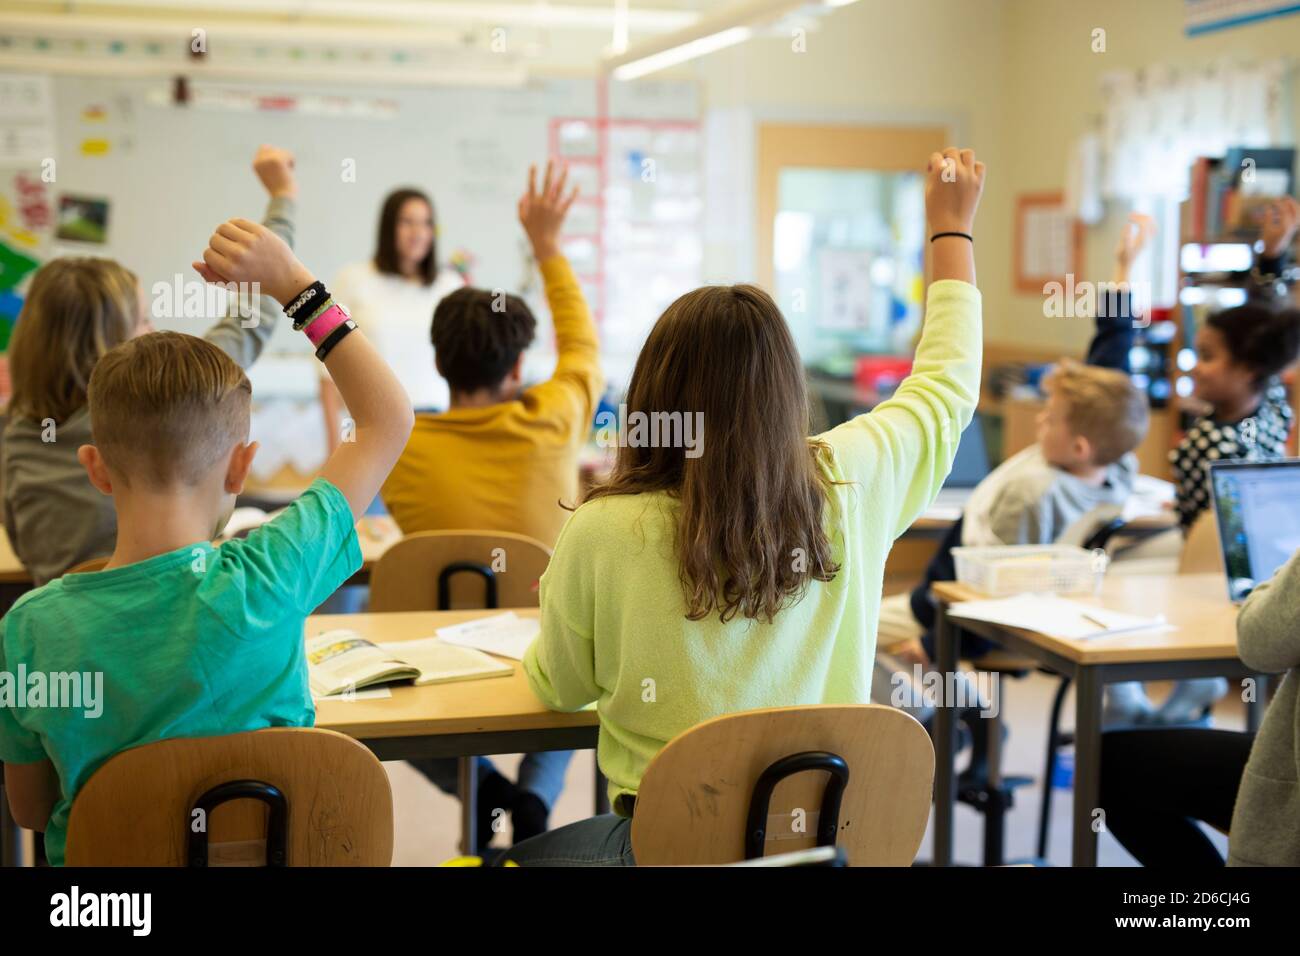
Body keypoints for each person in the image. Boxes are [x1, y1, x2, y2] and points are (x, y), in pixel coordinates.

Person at [501, 147, 986, 866]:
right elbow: (947, 386)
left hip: (665, 848)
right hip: (824, 846)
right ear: (785, 390)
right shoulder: (850, 481)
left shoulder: (605, 527)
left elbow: (562, 687)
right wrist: (951, 230)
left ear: (654, 396)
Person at [0, 215, 414, 866]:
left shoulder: (28, 632)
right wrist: (295, 286)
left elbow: (27, 811)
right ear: (240, 466)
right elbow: (388, 417)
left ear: (96, 467)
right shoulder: (275, 571)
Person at [383, 162, 601, 846]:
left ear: (440, 364)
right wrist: (547, 247)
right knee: (582, 668)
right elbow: (583, 346)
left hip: (437, 674)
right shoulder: (557, 414)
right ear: (517, 368)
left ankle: (490, 795)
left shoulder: (399, 445)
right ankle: (531, 800)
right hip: (548, 663)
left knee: (389, 710)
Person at [1, 146, 299, 586]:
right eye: (143, 318)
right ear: (110, 342)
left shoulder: (13, 437)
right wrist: (283, 195)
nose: (154, 328)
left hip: (64, 641)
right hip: (174, 633)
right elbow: (257, 309)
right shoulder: (175, 397)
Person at [320, 187, 464, 449]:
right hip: (373, 426)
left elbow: (465, 366)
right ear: (388, 228)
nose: (417, 232)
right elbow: (326, 369)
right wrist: (332, 445)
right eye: (407, 222)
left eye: (426, 223)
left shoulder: (450, 285)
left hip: (438, 425)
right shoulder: (353, 279)